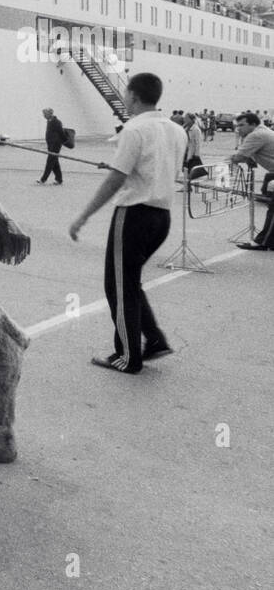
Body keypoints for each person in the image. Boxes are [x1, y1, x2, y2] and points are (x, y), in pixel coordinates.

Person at [68, 72, 186, 375]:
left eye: (126, 94)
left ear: (132, 95)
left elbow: (117, 178)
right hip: (162, 216)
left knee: (117, 286)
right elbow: (156, 167)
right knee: (129, 282)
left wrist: (84, 215)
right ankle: (155, 340)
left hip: (134, 215)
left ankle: (127, 357)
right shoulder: (176, 130)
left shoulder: (133, 129)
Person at [230, 112, 274, 251]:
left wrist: (229, 161)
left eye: (242, 125)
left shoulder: (255, 135)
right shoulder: (265, 131)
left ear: (253, 125)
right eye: (237, 126)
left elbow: (239, 157)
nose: (239, 129)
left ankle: (262, 242)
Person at [37, 108, 65, 184]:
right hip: (50, 145)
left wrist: (64, 142)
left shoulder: (57, 122)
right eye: (44, 114)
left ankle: (43, 179)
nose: (44, 116)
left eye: (45, 114)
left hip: (55, 145)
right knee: (55, 162)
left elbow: (61, 133)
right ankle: (59, 179)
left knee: (50, 162)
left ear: (50, 114)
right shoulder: (49, 121)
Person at [181, 113, 204, 178]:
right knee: (184, 169)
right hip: (185, 151)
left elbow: (198, 143)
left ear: (191, 120)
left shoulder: (196, 129)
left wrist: (197, 154)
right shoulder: (185, 127)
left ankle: (188, 185)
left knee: (189, 169)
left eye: (186, 118)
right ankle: (187, 184)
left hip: (191, 152)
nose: (185, 119)